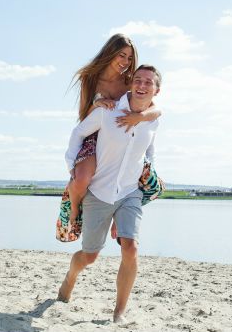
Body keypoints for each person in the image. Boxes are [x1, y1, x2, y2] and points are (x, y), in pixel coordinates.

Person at [57, 65, 162, 323]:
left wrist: (149, 168)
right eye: (138, 80)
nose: (142, 85)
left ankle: (119, 313)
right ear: (131, 84)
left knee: (131, 248)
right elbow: (79, 132)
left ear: (156, 90)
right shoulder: (109, 110)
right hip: (99, 192)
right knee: (89, 256)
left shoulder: (153, 119)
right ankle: (70, 277)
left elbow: (150, 151)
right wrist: (72, 166)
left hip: (130, 192)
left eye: (148, 82)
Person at [58, 34, 161, 239]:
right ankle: (76, 209)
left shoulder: (129, 81)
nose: (125, 62)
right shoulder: (90, 78)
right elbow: (83, 117)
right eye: (121, 55)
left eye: (130, 58)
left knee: (144, 183)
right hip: (94, 135)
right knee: (81, 178)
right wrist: (96, 104)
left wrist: (139, 117)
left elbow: (156, 110)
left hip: (123, 133)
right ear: (110, 53)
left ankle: (118, 216)